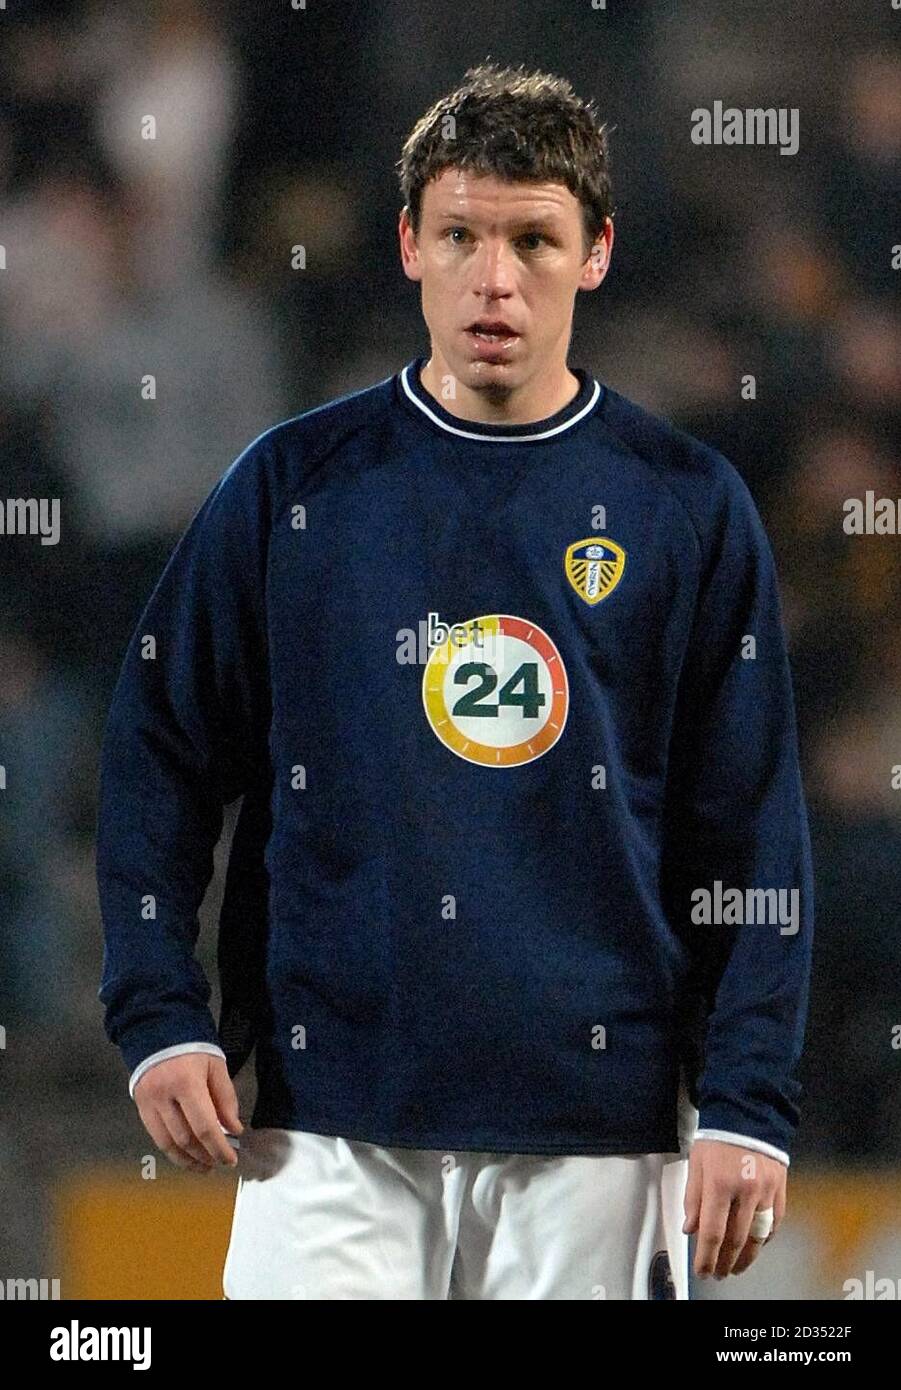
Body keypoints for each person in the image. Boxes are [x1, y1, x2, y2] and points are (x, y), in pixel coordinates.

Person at [97, 61, 814, 1300]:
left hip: (596, 1139)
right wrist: (160, 1013)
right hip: (325, 1128)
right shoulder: (292, 489)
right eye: (462, 236)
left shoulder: (684, 504)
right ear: (407, 247)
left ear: (595, 252)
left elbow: (750, 836)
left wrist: (747, 1099)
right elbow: (158, 751)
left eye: (534, 239)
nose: (495, 279)